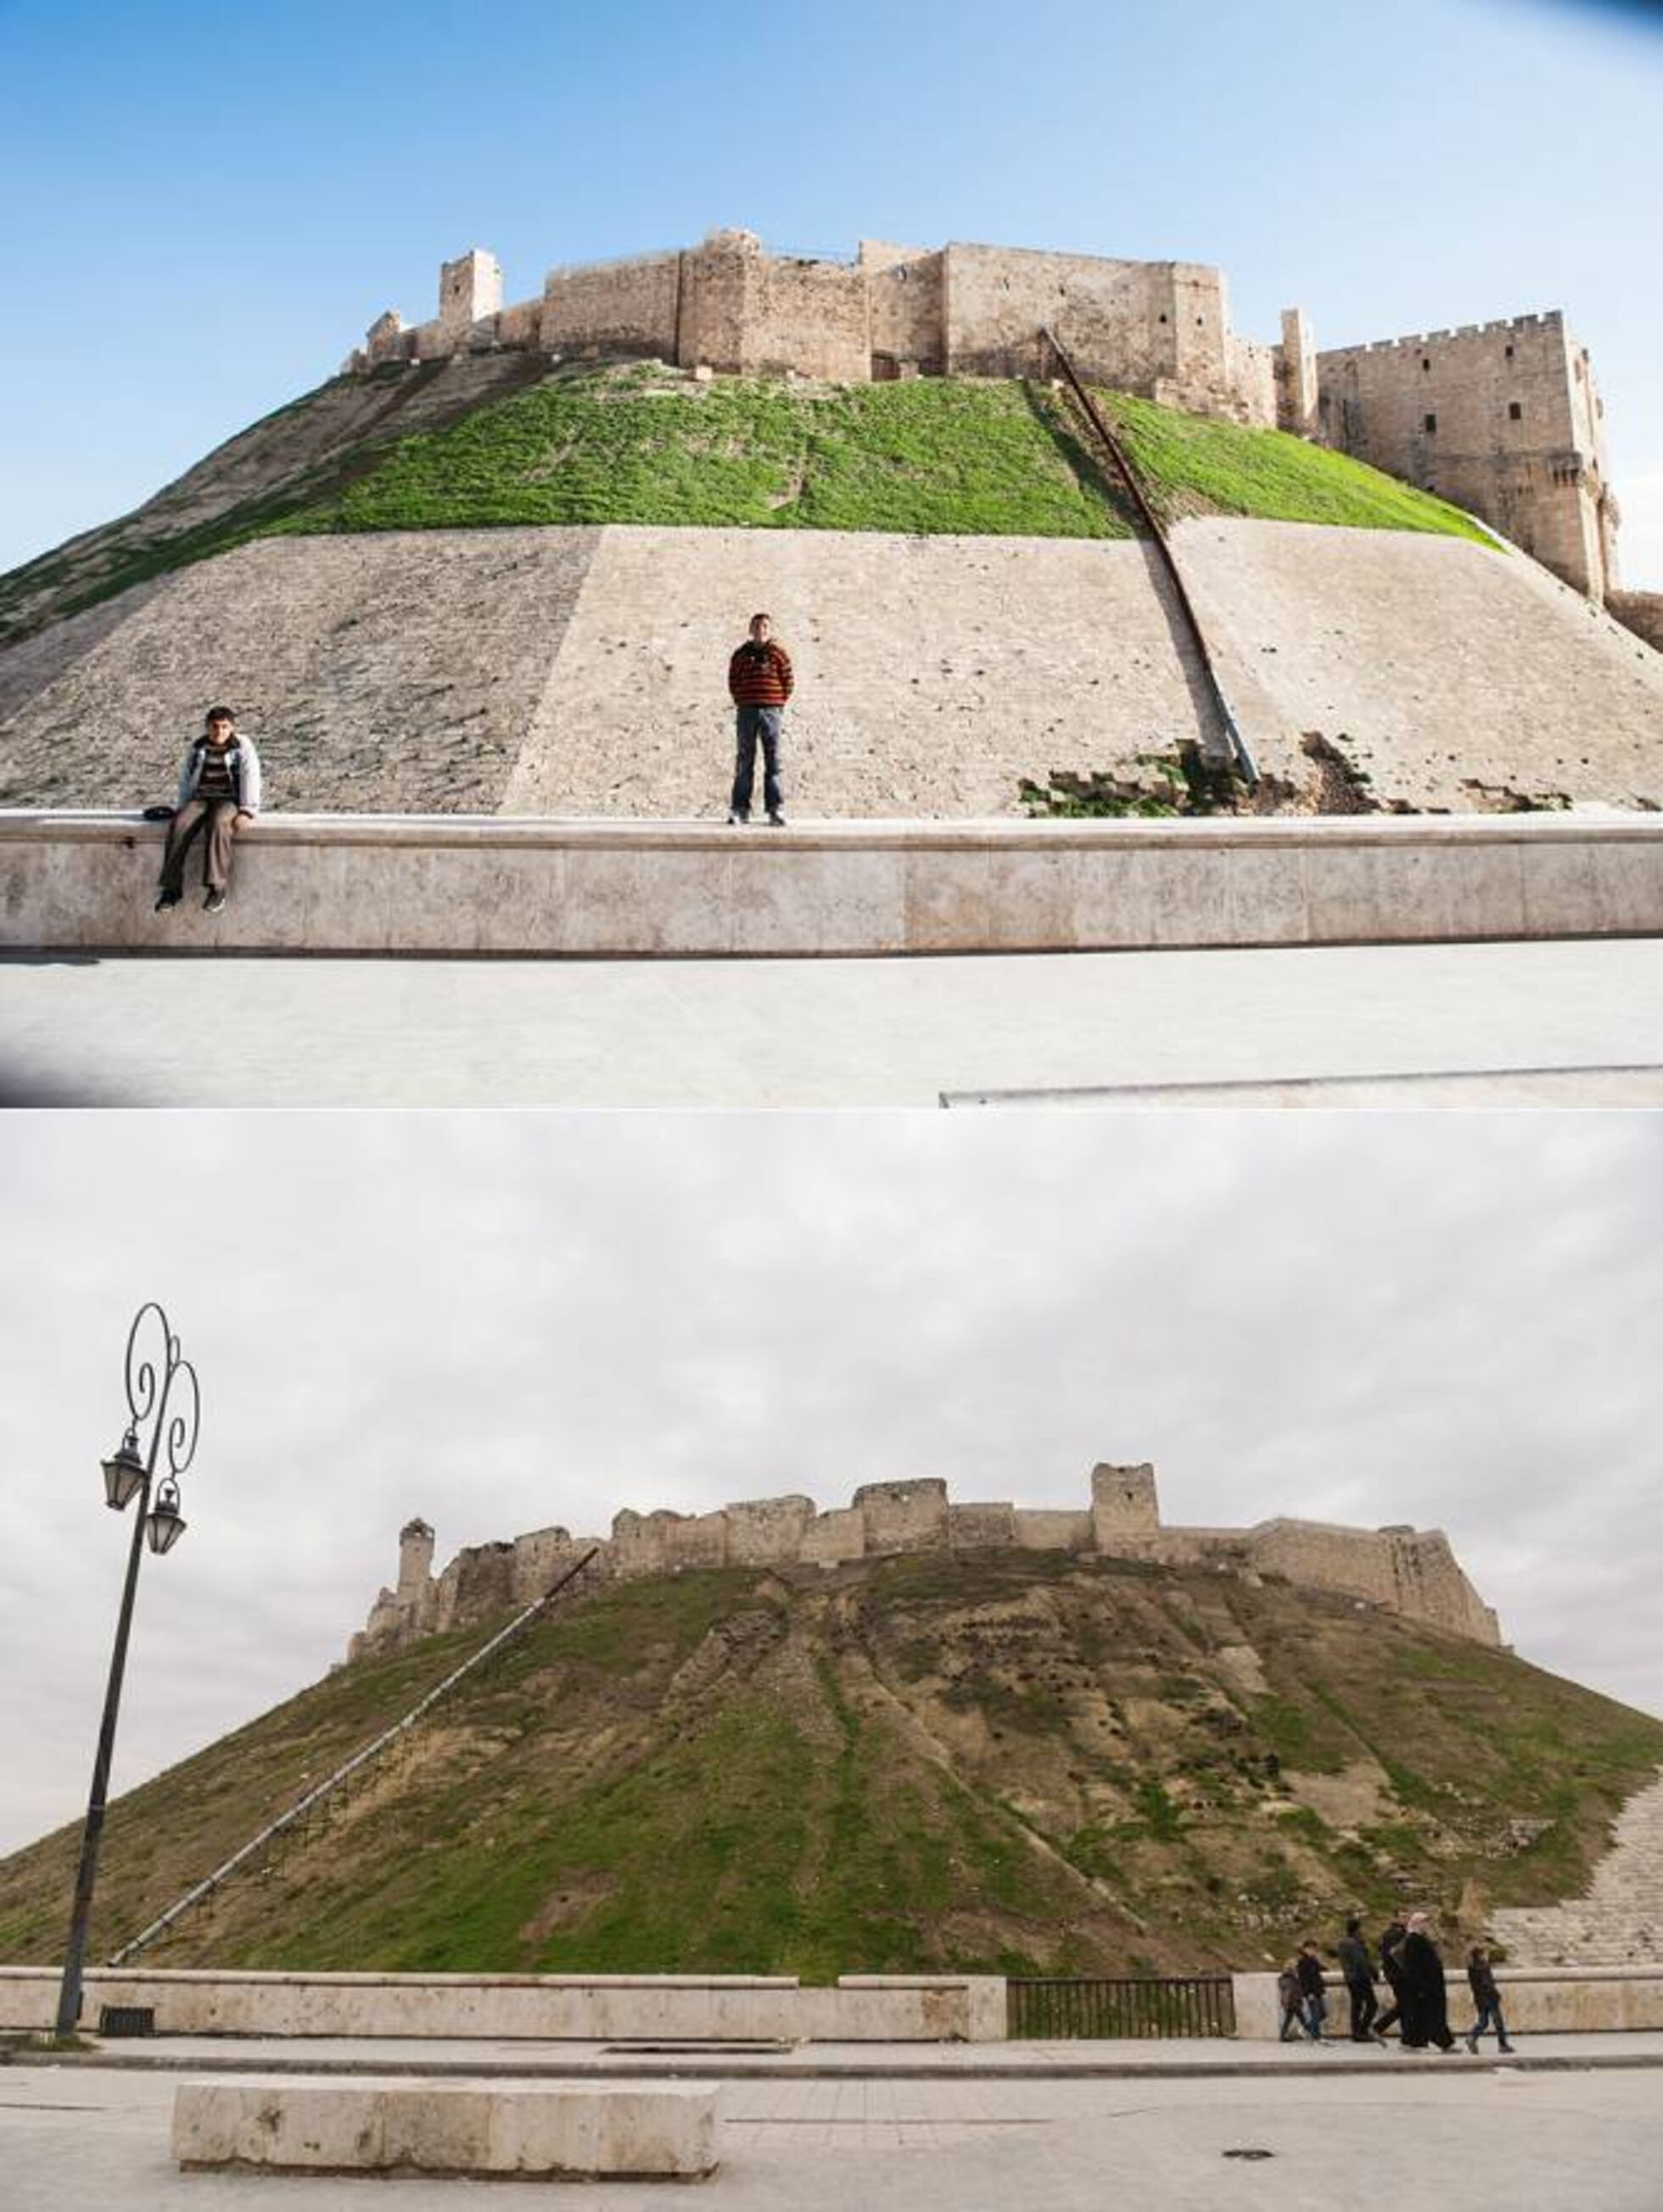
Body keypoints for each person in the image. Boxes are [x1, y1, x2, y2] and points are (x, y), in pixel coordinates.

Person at [156, 706, 262, 915]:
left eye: (224, 727)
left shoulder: (242, 746)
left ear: (232, 728)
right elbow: (186, 778)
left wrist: (247, 811)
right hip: (201, 798)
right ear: (207, 727)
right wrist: (181, 807)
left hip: (228, 800)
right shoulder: (198, 747)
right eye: (215, 727)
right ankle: (171, 889)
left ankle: (217, 888)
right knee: (180, 824)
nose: (219, 732)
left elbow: (251, 775)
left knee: (219, 823)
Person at [726, 612, 792, 826]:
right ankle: (740, 809)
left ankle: (776, 810)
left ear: (769, 630)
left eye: (765, 626)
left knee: (774, 761)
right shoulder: (740, 654)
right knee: (744, 761)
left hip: (772, 711)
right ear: (750, 629)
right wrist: (742, 699)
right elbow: (733, 681)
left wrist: (776, 701)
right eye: (756, 626)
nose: (760, 630)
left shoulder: (779, 654)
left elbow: (788, 680)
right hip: (747, 711)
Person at [1398, 1910, 1456, 2052]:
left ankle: (1411, 2042)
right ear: (1418, 1923)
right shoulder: (1413, 1940)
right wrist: (1421, 1986)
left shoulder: (1420, 1939)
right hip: (1425, 1985)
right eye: (1424, 1922)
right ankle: (1444, 2043)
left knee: (1421, 2015)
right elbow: (1413, 1967)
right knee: (1433, 2015)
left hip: (1429, 1985)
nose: (1426, 1925)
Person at [1336, 1915, 1382, 2042]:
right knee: (1372, 2005)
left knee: (1356, 2005)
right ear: (1357, 1929)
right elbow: (1362, 1961)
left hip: (1350, 1978)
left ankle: (1356, 2033)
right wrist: (1373, 1973)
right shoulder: (1355, 1943)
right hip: (1361, 1978)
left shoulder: (1342, 1943)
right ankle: (1362, 2031)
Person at [1464, 1944, 1515, 2053]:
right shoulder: (1484, 1966)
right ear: (1480, 1954)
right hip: (1490, 1998)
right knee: (1498, 2022)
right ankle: (1503, 2045)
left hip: (1479, 1998)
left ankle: (1472, 2037)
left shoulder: (1471, 1967)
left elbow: (1475, 1985)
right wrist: (1495, 1994)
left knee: (1483, 2022)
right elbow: (1487, 1983)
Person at [1375, 1914, 1409, 2042]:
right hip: (1398, 1975)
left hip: (1394, 1974)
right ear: (1396, 1918)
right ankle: (1378, 2028)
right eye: (1403, 1916)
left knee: (1405, 2004)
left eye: (1407, 1916)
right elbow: (1395, 1954)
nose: (1406, 1919)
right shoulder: (1397, 1934)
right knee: (1405, 2004)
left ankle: (1407, 2037)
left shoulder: (1388, 1934)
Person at [1295, 1940, 1328, 2041]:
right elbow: (1303, 1980)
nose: (1312, 1950)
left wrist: (1324, 1968)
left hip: (1318, 1990)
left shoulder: (1314, 1959)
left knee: (1323, 2013)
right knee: (1316, 2014)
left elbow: (1319, 1969)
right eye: (1310, 1948)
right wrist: (1308, 1993)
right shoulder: (1302, 1962)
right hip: (1311, 1992)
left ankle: (1305, 2028)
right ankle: (1316, 2036)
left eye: (1314, 1948)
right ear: (1305, 1949)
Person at [1276, 1963, 1309, 2043]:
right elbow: (1294, 1992)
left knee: (1289, 2020)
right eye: (1294, 1969)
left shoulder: (1282, 1980)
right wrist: (1299, 2000)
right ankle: (1312, 2033)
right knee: (1302, 2019)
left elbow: (1286, 1992)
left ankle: (1282, 2036)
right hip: (1293, 2003)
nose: (1296, 1971)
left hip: (1288, 2002)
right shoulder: (1292, 1980)